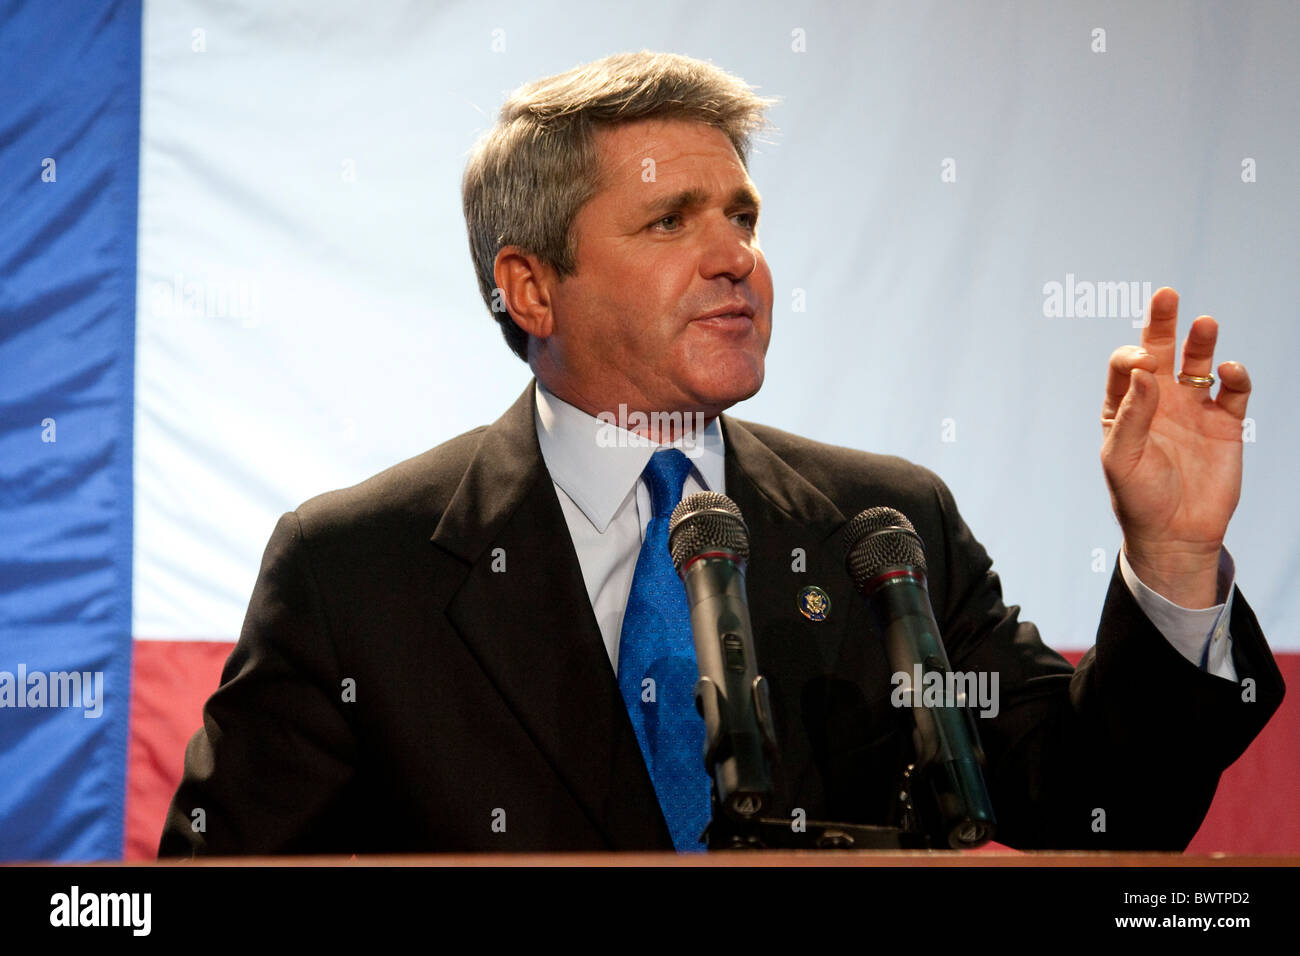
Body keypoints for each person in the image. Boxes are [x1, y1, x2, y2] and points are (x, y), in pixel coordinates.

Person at [159, 51, 1284, 857]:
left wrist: (1173, 558)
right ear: (530, 284)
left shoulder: (884, 526)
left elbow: (1096, 813)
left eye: (742, 218)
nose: (734, 258)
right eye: (671, 221)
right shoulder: (357, 566)